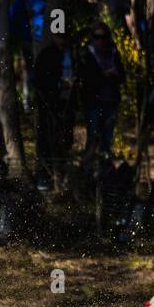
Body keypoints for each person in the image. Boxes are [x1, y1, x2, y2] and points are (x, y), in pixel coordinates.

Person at [32, 30, 75, 190]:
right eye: (60, 36)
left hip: (67, 104)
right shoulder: (47, 54)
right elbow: (38, 80)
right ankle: (45, 176)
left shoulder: (72, 54)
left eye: (66, 36)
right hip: (49, 104)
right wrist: (58, 85)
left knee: (66, 139)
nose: (63, 40)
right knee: (47, 139)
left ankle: (63, 176)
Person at [78, 25, 125, 165]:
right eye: (97, 37)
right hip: (93, 102)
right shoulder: (86, 54)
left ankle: (104, 172)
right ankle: (87, 171)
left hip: (111, 100)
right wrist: (102, 75)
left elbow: (122, 76)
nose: (100, 40)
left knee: (107, 139)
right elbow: (84, 77)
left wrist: (115, 74)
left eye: (103, 36)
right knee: (93, 137)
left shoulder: (114, 52)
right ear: (92, 38)